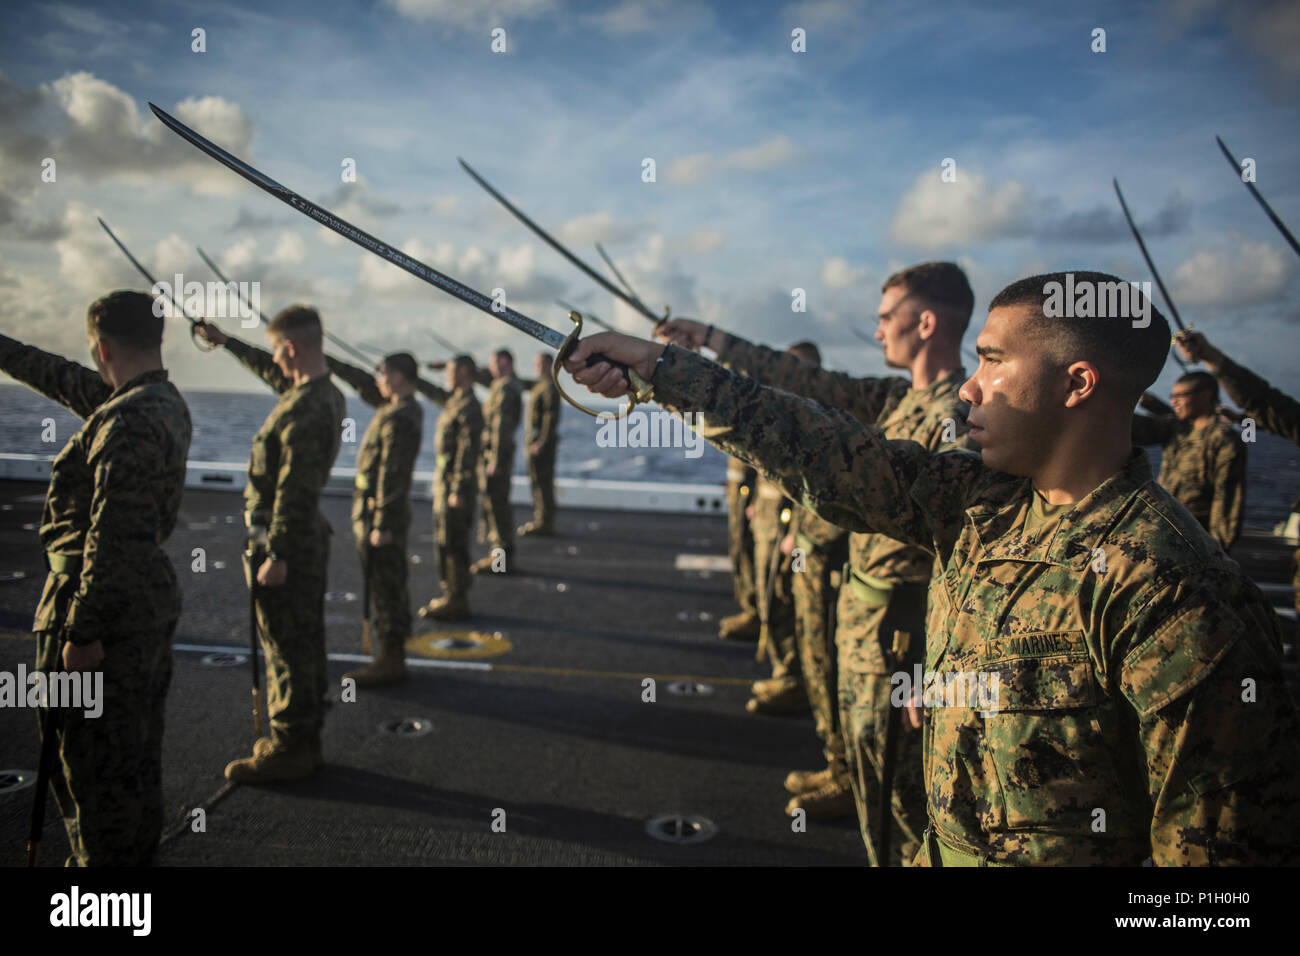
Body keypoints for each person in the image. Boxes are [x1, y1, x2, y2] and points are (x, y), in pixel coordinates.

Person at [568, 270, 1300, 865]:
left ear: (1077, 385)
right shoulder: (976, 501)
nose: (969, 389)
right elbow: (818, 448)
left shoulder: (1180, 599)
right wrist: (662, 369)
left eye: (992, 362)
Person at [659, 262, 973, 861]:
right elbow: (796, 385)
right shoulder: (895, 398)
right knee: (871, 777)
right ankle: (846, 778)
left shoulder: (956, 417)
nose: (878, 331)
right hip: (864, 613)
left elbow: (964, 554)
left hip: (904, 632)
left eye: (887, 317)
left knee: (908, 808)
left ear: (926, 322)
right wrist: (707, 339)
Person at [0, 290, 192, 864]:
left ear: (102, 346)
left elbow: (116, 541)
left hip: (97, 609)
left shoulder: (127, 420)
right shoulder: (157, 399)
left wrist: (83, 632)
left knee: (90, 764)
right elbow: (60, 377)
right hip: (138, 605)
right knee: (131, 757)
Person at [197, 308, 345, 783]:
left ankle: (290, 746)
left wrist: (277, 552)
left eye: (279, 349)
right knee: (301, 640)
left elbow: (295, 488)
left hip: (290, 544)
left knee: (287, 645)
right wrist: (226, 342)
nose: (276, 360)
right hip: (297, 539)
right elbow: (271, 369)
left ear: (294, 348)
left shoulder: (306, 407)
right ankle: (303, 739)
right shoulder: (316, 394)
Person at [1175, 330, 1300, 615]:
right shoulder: (1185, 429)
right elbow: (1268, 408)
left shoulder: (1224, 440)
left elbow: (1267, 406)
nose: (1176, 402)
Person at [325, 352, 423, 686]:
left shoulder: (400, 415)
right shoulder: (395, 407)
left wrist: (382, 523)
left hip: (382, 514)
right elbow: (365, 384)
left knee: (386, 585)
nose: (378, 378)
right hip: (375, 509)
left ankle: (391, 659)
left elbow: (392, 473)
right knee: (384, 582)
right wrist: (330, 359)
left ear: (397, 376)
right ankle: (390, 654)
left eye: (382, 373)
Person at [1132, 371, 1246, 552]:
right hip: (1165, 528)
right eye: (1172, 396)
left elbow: (1226, 500)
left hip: (1197, 536)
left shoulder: (1223, 439)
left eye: (1180, 396)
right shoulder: (1178, 428)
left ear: (1205, 396)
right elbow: (1132, 428)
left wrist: (1218, 550)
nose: (1173, 401)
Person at [419, 354, 484, 620]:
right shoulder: (455, 400)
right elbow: (435, 391)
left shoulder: (470, 406)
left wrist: (458, 488)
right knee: (445, 541)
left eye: (451, 370)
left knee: (454, 541)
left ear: (465, 371)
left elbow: (468, 451)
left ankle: (457, 598)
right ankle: (451, 594)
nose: (447, 374)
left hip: (457, 487)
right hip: (445, 484)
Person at [471, 349, 524, 574]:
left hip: (496, 457)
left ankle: (500, 563)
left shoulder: (505, 388)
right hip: (498, 455)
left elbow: (501, 426)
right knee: (497, 507)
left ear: (506, 364)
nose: (493, 368)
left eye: (496, 364)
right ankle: (501, 560)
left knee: (496, 509)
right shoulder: (505, 385)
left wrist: (495, 459)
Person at [518, 352, 560, 537]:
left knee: (542, 482)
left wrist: (541, 442)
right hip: (535, 441)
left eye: (541, 363)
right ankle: (541, 519)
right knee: (538, 481)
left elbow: (550, 417)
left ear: (549, 364)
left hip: (542, 443)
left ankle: (545, 521)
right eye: (537, 363)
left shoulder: (550, 387)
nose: (538, 367)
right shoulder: (539, 385)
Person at [718, 458, 761, 641]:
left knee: (749, 554)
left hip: (752, 494)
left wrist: (756, 498)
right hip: (739, 490)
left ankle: (754, 612)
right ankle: (748, 607)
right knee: (738, 552)